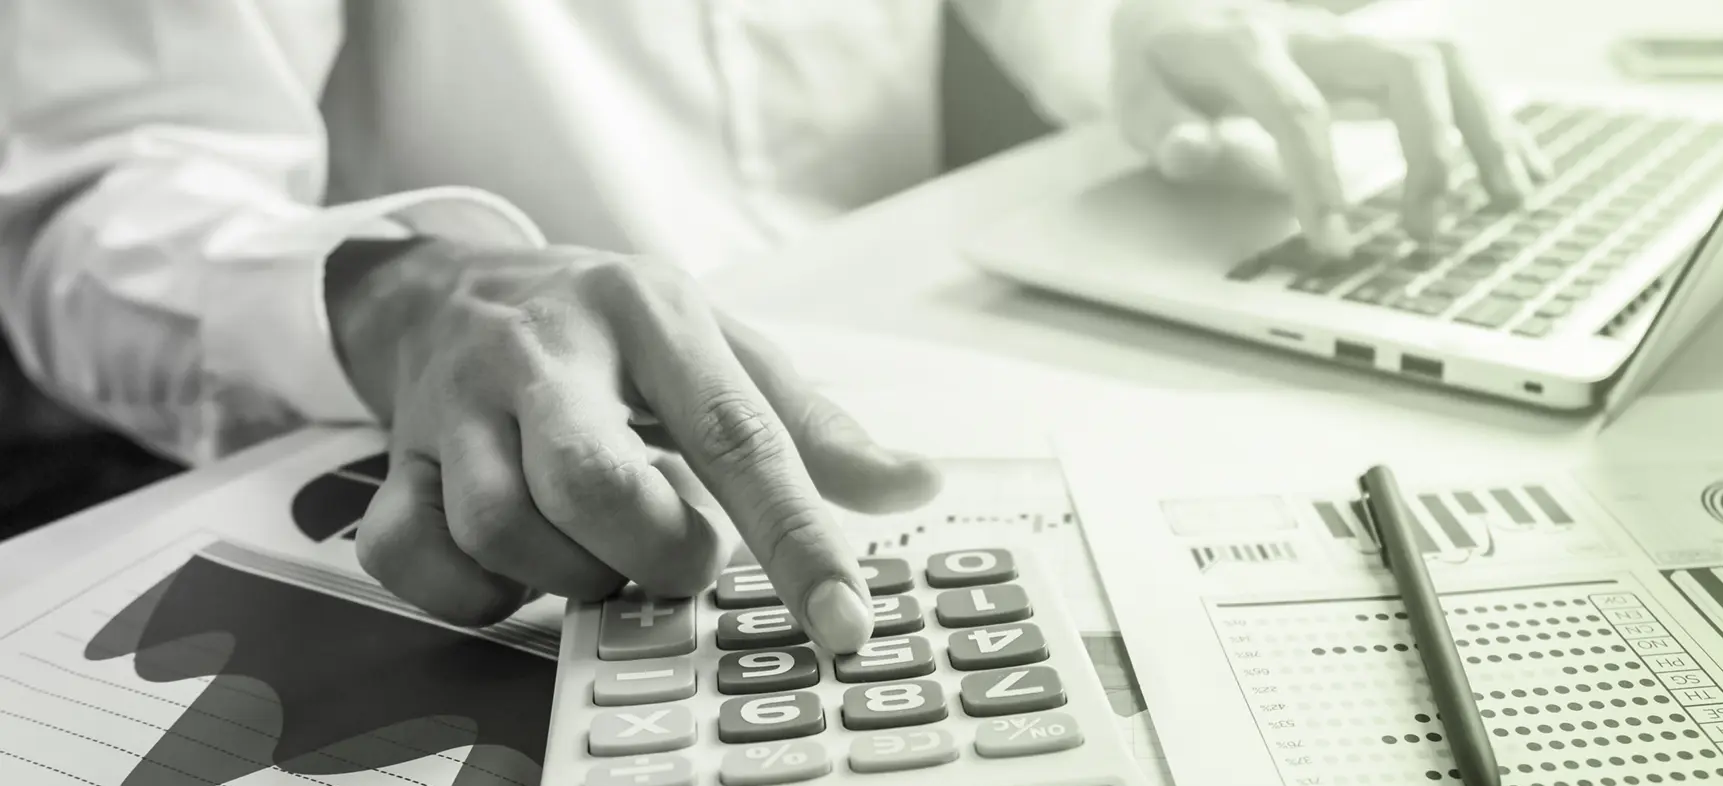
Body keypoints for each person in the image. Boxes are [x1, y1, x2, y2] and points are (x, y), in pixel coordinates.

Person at [0, 0, 1541, 653]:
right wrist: (398, 292)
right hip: (550, 500)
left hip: (969, 388)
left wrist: (1157, 27)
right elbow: (90, 205)